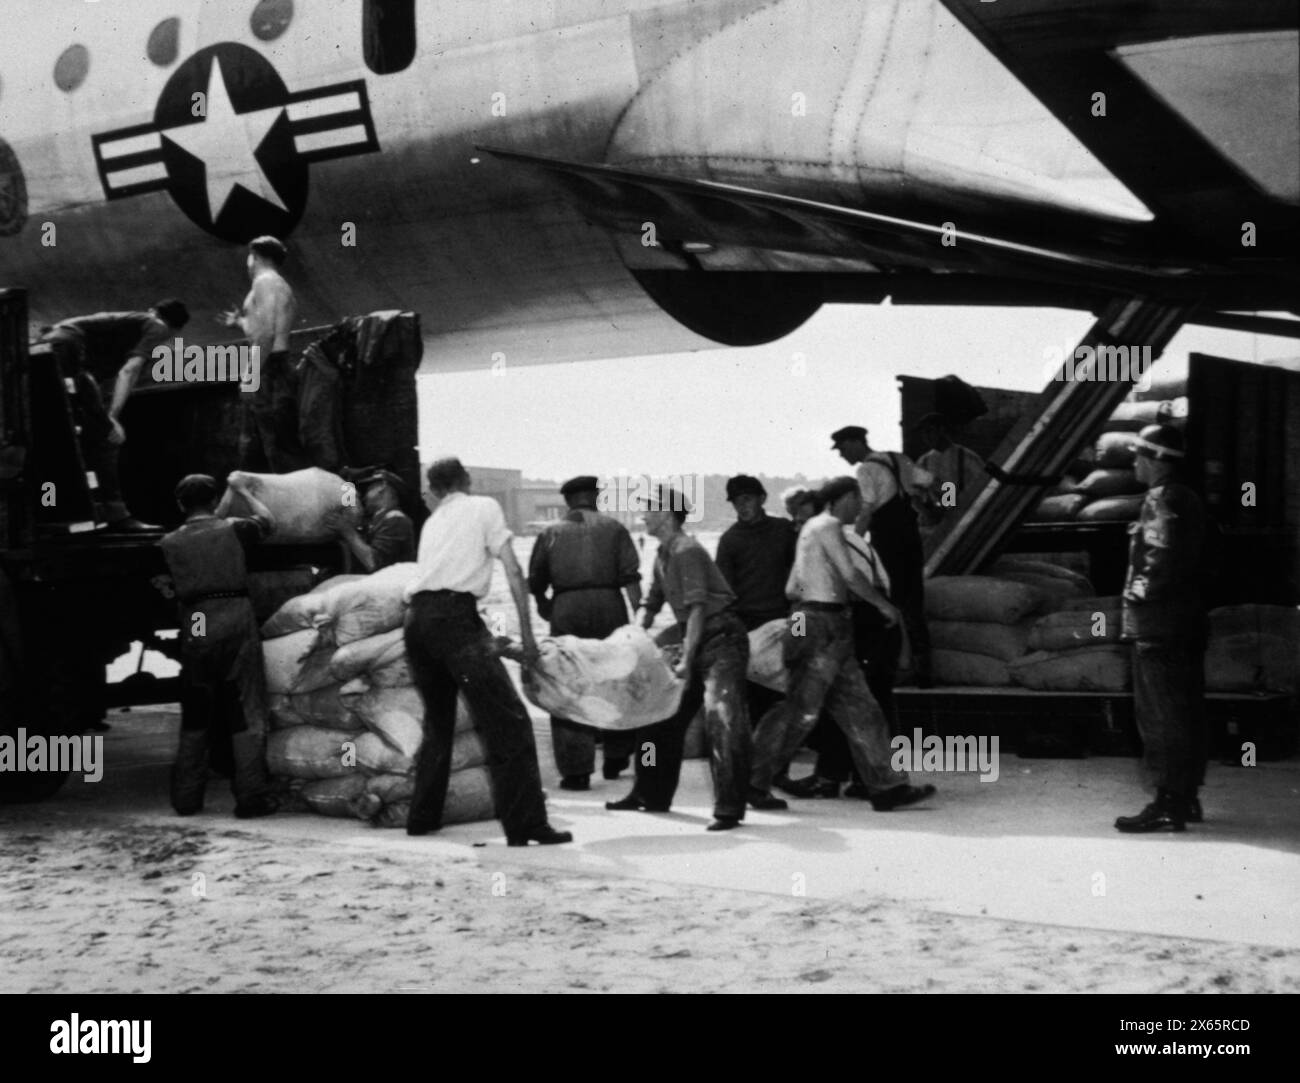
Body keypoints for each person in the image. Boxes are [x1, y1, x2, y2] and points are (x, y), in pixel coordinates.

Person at [403, 458, 571, 846]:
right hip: (454, 619)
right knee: (510, 722)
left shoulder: (432, 523)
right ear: (467, 481)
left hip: (418, 623)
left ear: (435, 489)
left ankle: (422, 818)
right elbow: (513, 571)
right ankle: (526, 825)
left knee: (439, 722)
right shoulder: (484, 507)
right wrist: (528, 638)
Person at [749, 477, 936, 812]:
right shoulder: (829, 524)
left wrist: (820, 594)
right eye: (857, 499)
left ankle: (887, 787)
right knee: (798, 712)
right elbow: (850, 574)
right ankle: (753, 781)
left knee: (862, 709)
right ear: (844, 497)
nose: (861, 507)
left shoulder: (809, 530)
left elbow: (792, 588)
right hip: (822, 626)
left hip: (821, 623)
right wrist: (884, 605)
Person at [607, 485, 766, 830]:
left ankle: (729, 808)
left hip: (721, 638)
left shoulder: (686, 551)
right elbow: (650, 603)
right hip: (694, 638)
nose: (642, 516)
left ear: (665, 514)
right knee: (656, 717)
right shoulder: (664, 553)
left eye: (647, 510)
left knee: (722, 718)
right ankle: (650, 793)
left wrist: (684, 661)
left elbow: (696, 610)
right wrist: (634, 635)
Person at [158, 473, 278, 818]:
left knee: (197, 709)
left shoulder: (169, 542)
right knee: (246, 708)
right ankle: (251, 796)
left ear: (181, 505)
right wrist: (240, 489)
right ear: (213, 502)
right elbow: (268, 522)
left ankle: (186, 798)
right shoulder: (236, 529)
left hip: (197, 618)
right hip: (235, 612)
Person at [1115, 424, 1208, 833]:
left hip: (1157, 625)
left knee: (1159, 714)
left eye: (1138, 456)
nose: (1134, 463)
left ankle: (1168, 801)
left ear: (1153, 460)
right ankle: (1186, 797)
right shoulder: (1188, 498)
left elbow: (1158, 559)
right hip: (1186, 621)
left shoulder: (1159, 498)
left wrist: (1137, 599)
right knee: (1186, 710)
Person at [527, 475, 642, 790]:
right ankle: (617, 755)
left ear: (567, 501)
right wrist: (639, 621)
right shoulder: (615, 529)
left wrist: (543, 603)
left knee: (566, 682)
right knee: (616, 675)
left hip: (568, 606)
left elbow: (535, 579)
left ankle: (576, 770)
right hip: (610, 605)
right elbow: (631, 578)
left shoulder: (550, 532)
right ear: (597, 498)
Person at [41, 300, 191, 530]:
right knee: (106, 437)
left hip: (54, 342)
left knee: (68, 436)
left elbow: (91, 383)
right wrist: (112, 419)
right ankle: (114, 514)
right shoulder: (157, 327)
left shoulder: (119, 331)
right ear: (175, 329)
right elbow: (129, 371)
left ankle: (64, 511)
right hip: (66, 345)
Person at [831, 425, 933, 685]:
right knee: (914, 601)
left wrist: (854, 542)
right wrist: (948, 506)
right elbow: (933, 482)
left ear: (856, 443)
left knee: (890, 602)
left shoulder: (865, 469)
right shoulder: (899, 458)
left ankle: (899, 667)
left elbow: (865, 511)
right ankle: (924, 670)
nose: (842, 455)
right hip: (910, 535)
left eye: (843, 449)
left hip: (887, 538)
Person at [715, 474, 797, 729]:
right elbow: (724, 591)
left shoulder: (784, 530)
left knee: (792, 682)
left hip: (787, 618)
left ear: (762, 498)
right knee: (757, 690)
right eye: (737, 501)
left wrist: (799, 609)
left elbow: (800, 572)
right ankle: (763, 749)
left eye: (747, 499)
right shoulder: (730, 540)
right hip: (749, 624)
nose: (742, 506)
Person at [222, 235, 302, 472]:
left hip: (269, 369)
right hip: (273, 365)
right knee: (267, 445)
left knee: (271, 449)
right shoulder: (277, 285)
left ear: (254, 257)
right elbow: (265, 329)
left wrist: (249, 376)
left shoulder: (265, 281)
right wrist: (240, 322)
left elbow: (266, 334)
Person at [331, 468, 415, 571]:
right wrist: (346, 483)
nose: (363, 495)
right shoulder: (378, 520)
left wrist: (347, 531)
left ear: (382, 488)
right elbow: (350, 510)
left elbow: (374, 563)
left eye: (369, 488)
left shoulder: (396, 519)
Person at [914, 412, 985, 531]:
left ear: (941, 430)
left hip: (962, 524)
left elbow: (984, 486)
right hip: (932, 528)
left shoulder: (966, 457)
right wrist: (926, 512)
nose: (926, 437)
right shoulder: (924, 461)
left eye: (929, 431)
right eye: (923, 433)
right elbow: (915, 494)